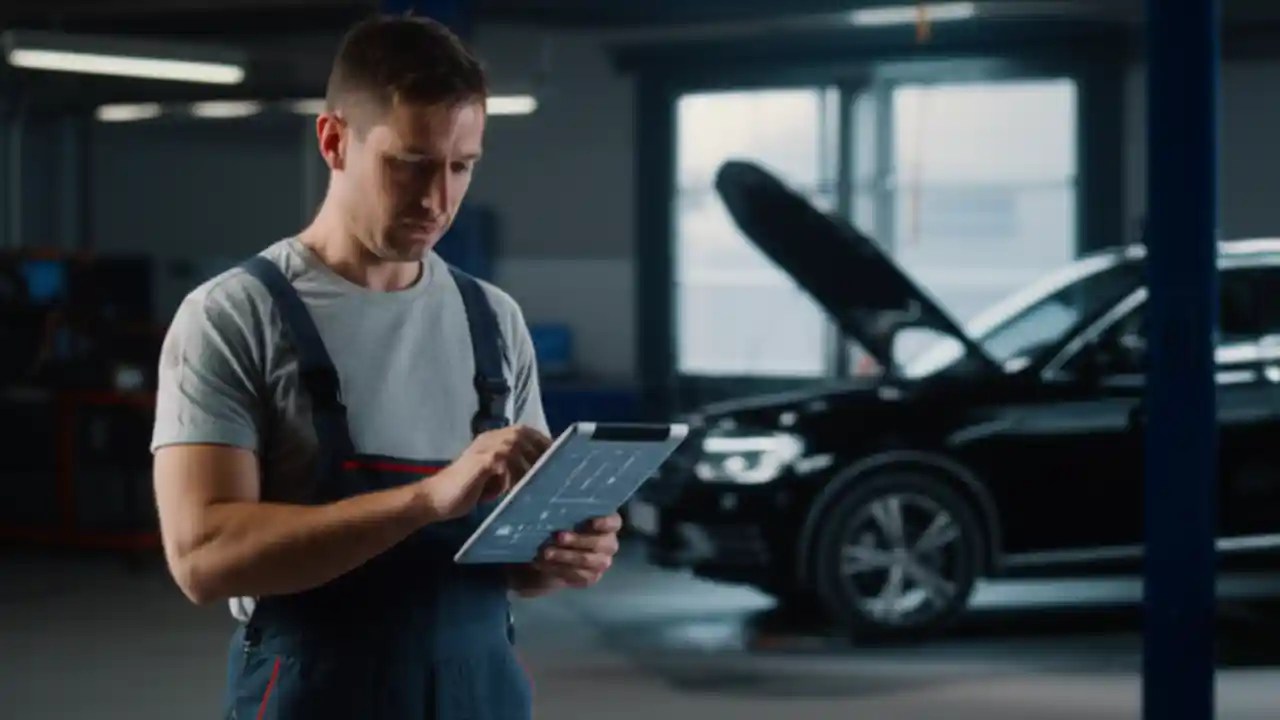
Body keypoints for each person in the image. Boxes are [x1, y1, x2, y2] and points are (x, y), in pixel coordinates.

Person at [149, 15, 622, 719]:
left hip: (479, 690)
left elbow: (513, 562)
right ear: (334, 141)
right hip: (315, 692)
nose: (437, 199)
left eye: (461, 167)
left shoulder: (492, 321)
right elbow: (202, 556)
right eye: (409, 164)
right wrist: (427, 499)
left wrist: (559, 556)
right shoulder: (234, 316)